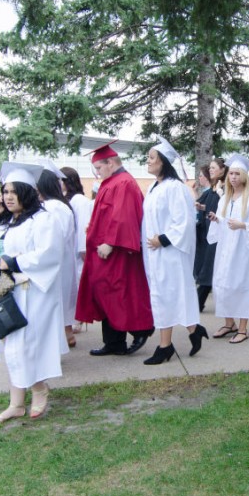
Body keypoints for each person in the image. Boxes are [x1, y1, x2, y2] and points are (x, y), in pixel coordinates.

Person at [0, 162, 64, 424]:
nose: (8, 196)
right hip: (4, 289)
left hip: (31, 292)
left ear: (27, 192)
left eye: (13, 191)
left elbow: (50, 253)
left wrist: (15, 262)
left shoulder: (43, 219)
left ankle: (39, 388)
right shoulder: (5, 222)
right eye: (5, 191)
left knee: (25, 345)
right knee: (10, 344)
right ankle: (16, 404)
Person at [75, 141, 155, 356]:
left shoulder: (124, 183)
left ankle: (142, 329)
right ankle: (114, 343)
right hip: (101, 252)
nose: (97, 173)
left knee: (121, 295)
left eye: (99, 168)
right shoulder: (112, 182)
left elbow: (125, 216)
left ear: (110, 162)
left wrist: (110, 242)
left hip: (116, 252)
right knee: (105, 295)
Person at [141, 137, 208, 364]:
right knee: (165, 296)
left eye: (152, 158)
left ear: (164, 162)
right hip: (156, 254)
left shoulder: (176, 188)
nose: (148, 161)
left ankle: (165, 346)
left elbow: (185, 221)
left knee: (167, 296)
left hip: (170, 253)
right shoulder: (153, 187)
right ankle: (193, 330)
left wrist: (163, 239)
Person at [207, 154, 249, 344]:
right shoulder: (225, 198)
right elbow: (224, 222)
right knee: (223, 285)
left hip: (243, 251)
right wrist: (216, 219)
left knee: (242, 286)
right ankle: (229, 323)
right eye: (231, 174)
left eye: (237, 173)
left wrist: (243, 225)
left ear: (243, 175)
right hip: (226, 249)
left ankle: (243, 328)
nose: (233, 177)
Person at [37, 165, 79, 349]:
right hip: (65, 258)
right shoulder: (63, 206)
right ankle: (67, 332)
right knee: (64, 297)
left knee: (56, 300)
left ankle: (60, 339)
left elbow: (54, 236)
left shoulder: (50, 207)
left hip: (55, 260)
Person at [61, 166, 94, 333]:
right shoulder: (65, 200)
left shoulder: (79, 201)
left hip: (78, 253)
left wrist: (84, 252)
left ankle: (78, 320)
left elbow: (83, 228)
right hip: (68, 253)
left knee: (78, 286)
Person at [193, 164, 219, 312]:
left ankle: (198, 301)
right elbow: (207, 207)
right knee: (207, 268)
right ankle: (198, 301)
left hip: (211, 234)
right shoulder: (211, 192)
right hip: (206, 234)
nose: (201, 177)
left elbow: (212, 210)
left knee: (208, 267)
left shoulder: (217, 192)